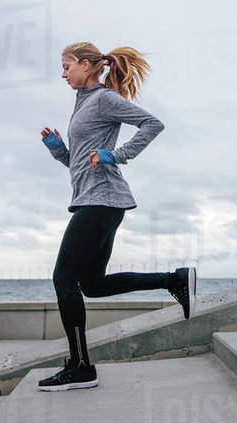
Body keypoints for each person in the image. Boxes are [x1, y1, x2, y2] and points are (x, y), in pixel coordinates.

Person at [35, 42, 195, 391]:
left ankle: (80, 366)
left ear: (88, 65)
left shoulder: (104, 98)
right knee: (91, 285)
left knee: (64, 278)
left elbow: (153, 125)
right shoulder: (82, 105)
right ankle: (174, 279)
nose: (62, 74)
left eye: (67, 66)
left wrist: (117, 155)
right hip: (94, 200)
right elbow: (81, 162)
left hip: (101, 202)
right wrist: (60, 152)